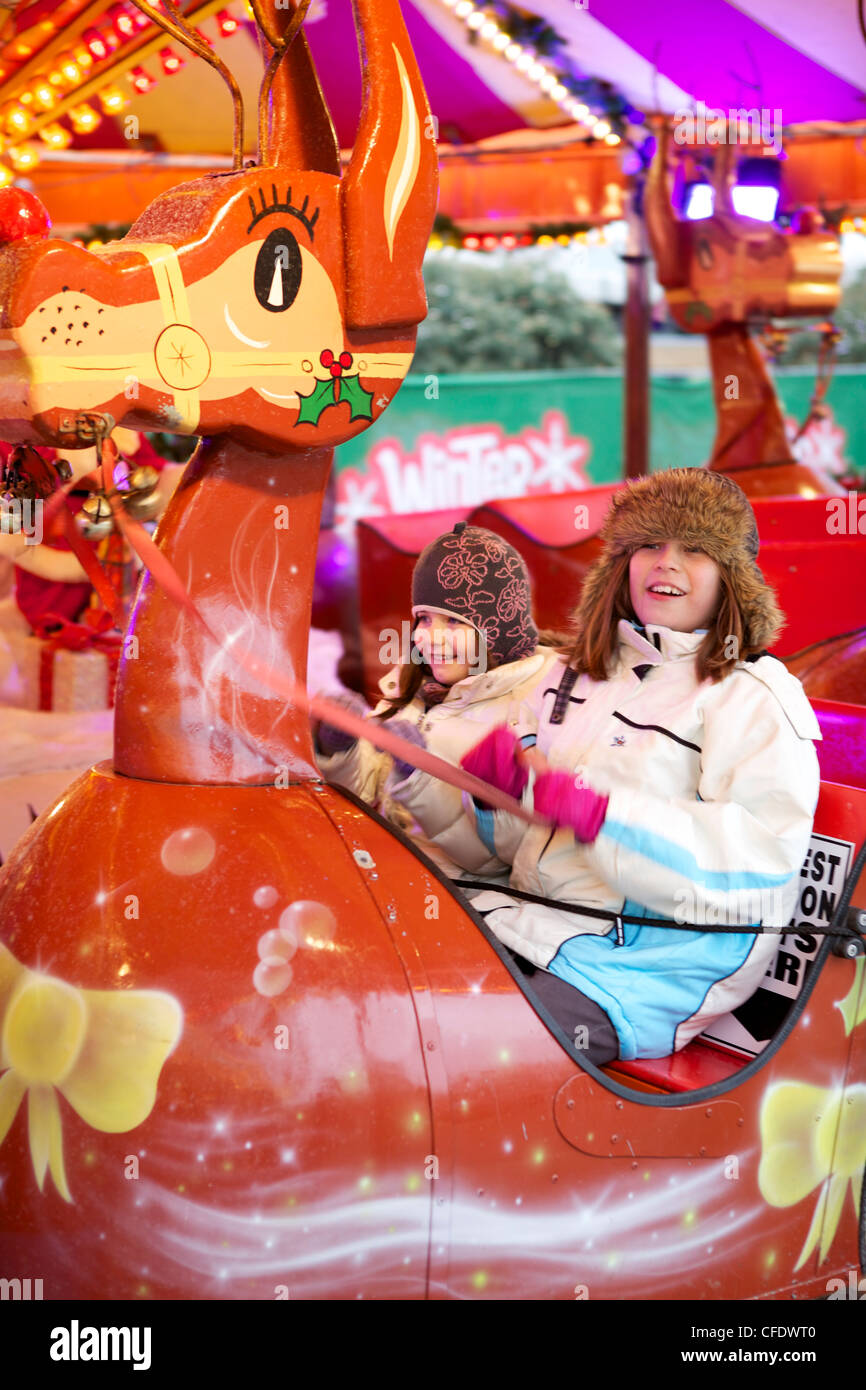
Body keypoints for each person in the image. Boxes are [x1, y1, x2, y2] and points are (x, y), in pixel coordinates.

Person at [460, 469, 821, 1065]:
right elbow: (512, 853)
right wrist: (495, 794)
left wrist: (602, 814)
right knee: (392, 989)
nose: (666, 563)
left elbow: (759, 865)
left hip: (643, 972)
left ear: (733, 579)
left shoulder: (752, 695)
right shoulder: (573, 674)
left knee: (462, 1048)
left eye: (696, 550)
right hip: (528, 924)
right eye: (649, 544)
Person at [314, 522, 561, 878]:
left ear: (496, 628)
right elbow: (368, 798)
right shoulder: (414, 686)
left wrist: (418, 776)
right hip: (382, 875)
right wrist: (340, 751)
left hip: (456, 905)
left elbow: (496, 859)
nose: (431, 638)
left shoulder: (533, 703)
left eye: (454, 621)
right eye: (425, 619)